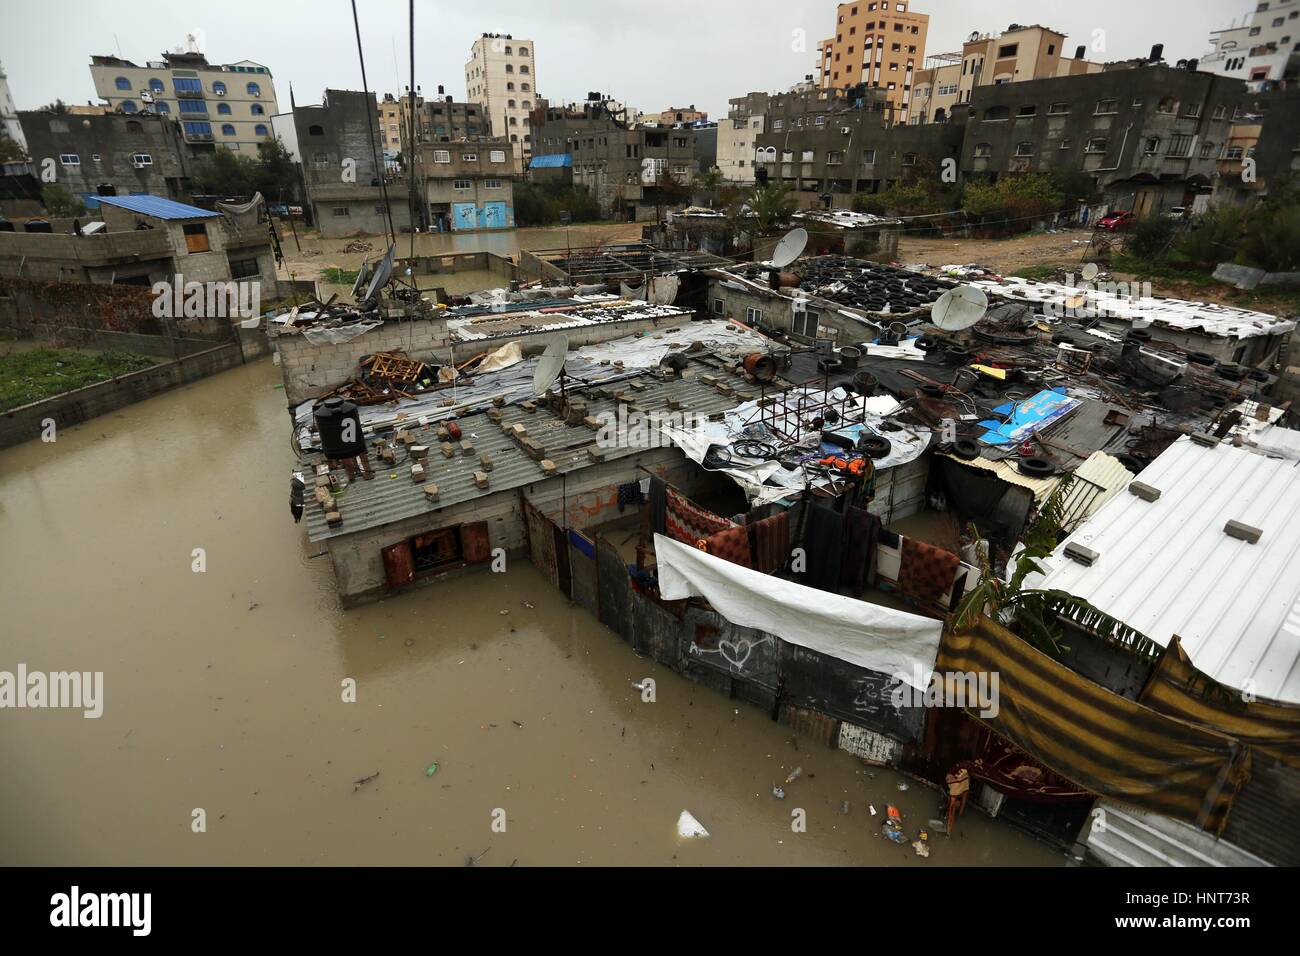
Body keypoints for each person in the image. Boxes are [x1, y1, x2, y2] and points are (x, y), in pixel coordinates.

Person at [945, 767, 970, 836]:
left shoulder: (956, 790)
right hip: (958, 777)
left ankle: (949, 829)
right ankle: (957, 816)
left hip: (960, 781)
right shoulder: (964, 784)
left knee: (951, 810)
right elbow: (963, 802)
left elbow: (951, 813)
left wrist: (948, 832)